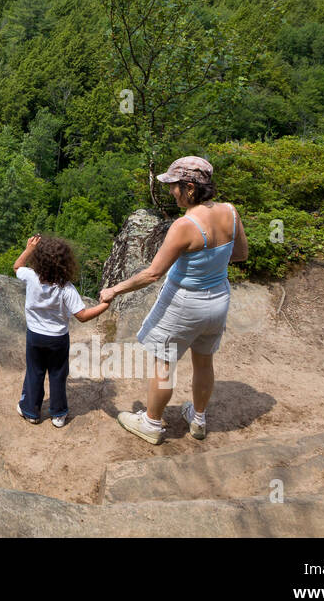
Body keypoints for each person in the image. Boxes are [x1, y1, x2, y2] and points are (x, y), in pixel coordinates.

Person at [100, 155, 248, 444]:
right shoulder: (230, 212)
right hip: (217, 300)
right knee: (204, 361)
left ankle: (152, 423)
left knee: (164, 363)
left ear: (190, 188)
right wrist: (210, 262)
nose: (171, 192)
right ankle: (199, 418)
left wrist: (114, 290)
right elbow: (240, 254)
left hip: (184, 304)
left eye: (174, 186)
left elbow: (153, 273)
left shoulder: (185, 225)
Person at [13, 234, 112, 427]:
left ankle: (30, 411)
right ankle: (58, 415)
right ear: (66, 263)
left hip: (34, 336)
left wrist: (29, 249)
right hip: (58, 339)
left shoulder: (30, 277)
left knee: (35, 371)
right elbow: (82, 316)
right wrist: (105, 306)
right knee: (58, 374)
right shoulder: (66, 288)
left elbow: (16, 266)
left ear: (38, 260)